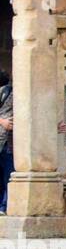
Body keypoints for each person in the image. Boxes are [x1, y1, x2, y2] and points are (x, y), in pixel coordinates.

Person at [0, 71, 12, 215]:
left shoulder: (11, 93)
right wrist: (2, 121)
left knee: (7, 175)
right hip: (5, 140)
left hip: (9, 142)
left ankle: (4, 206)